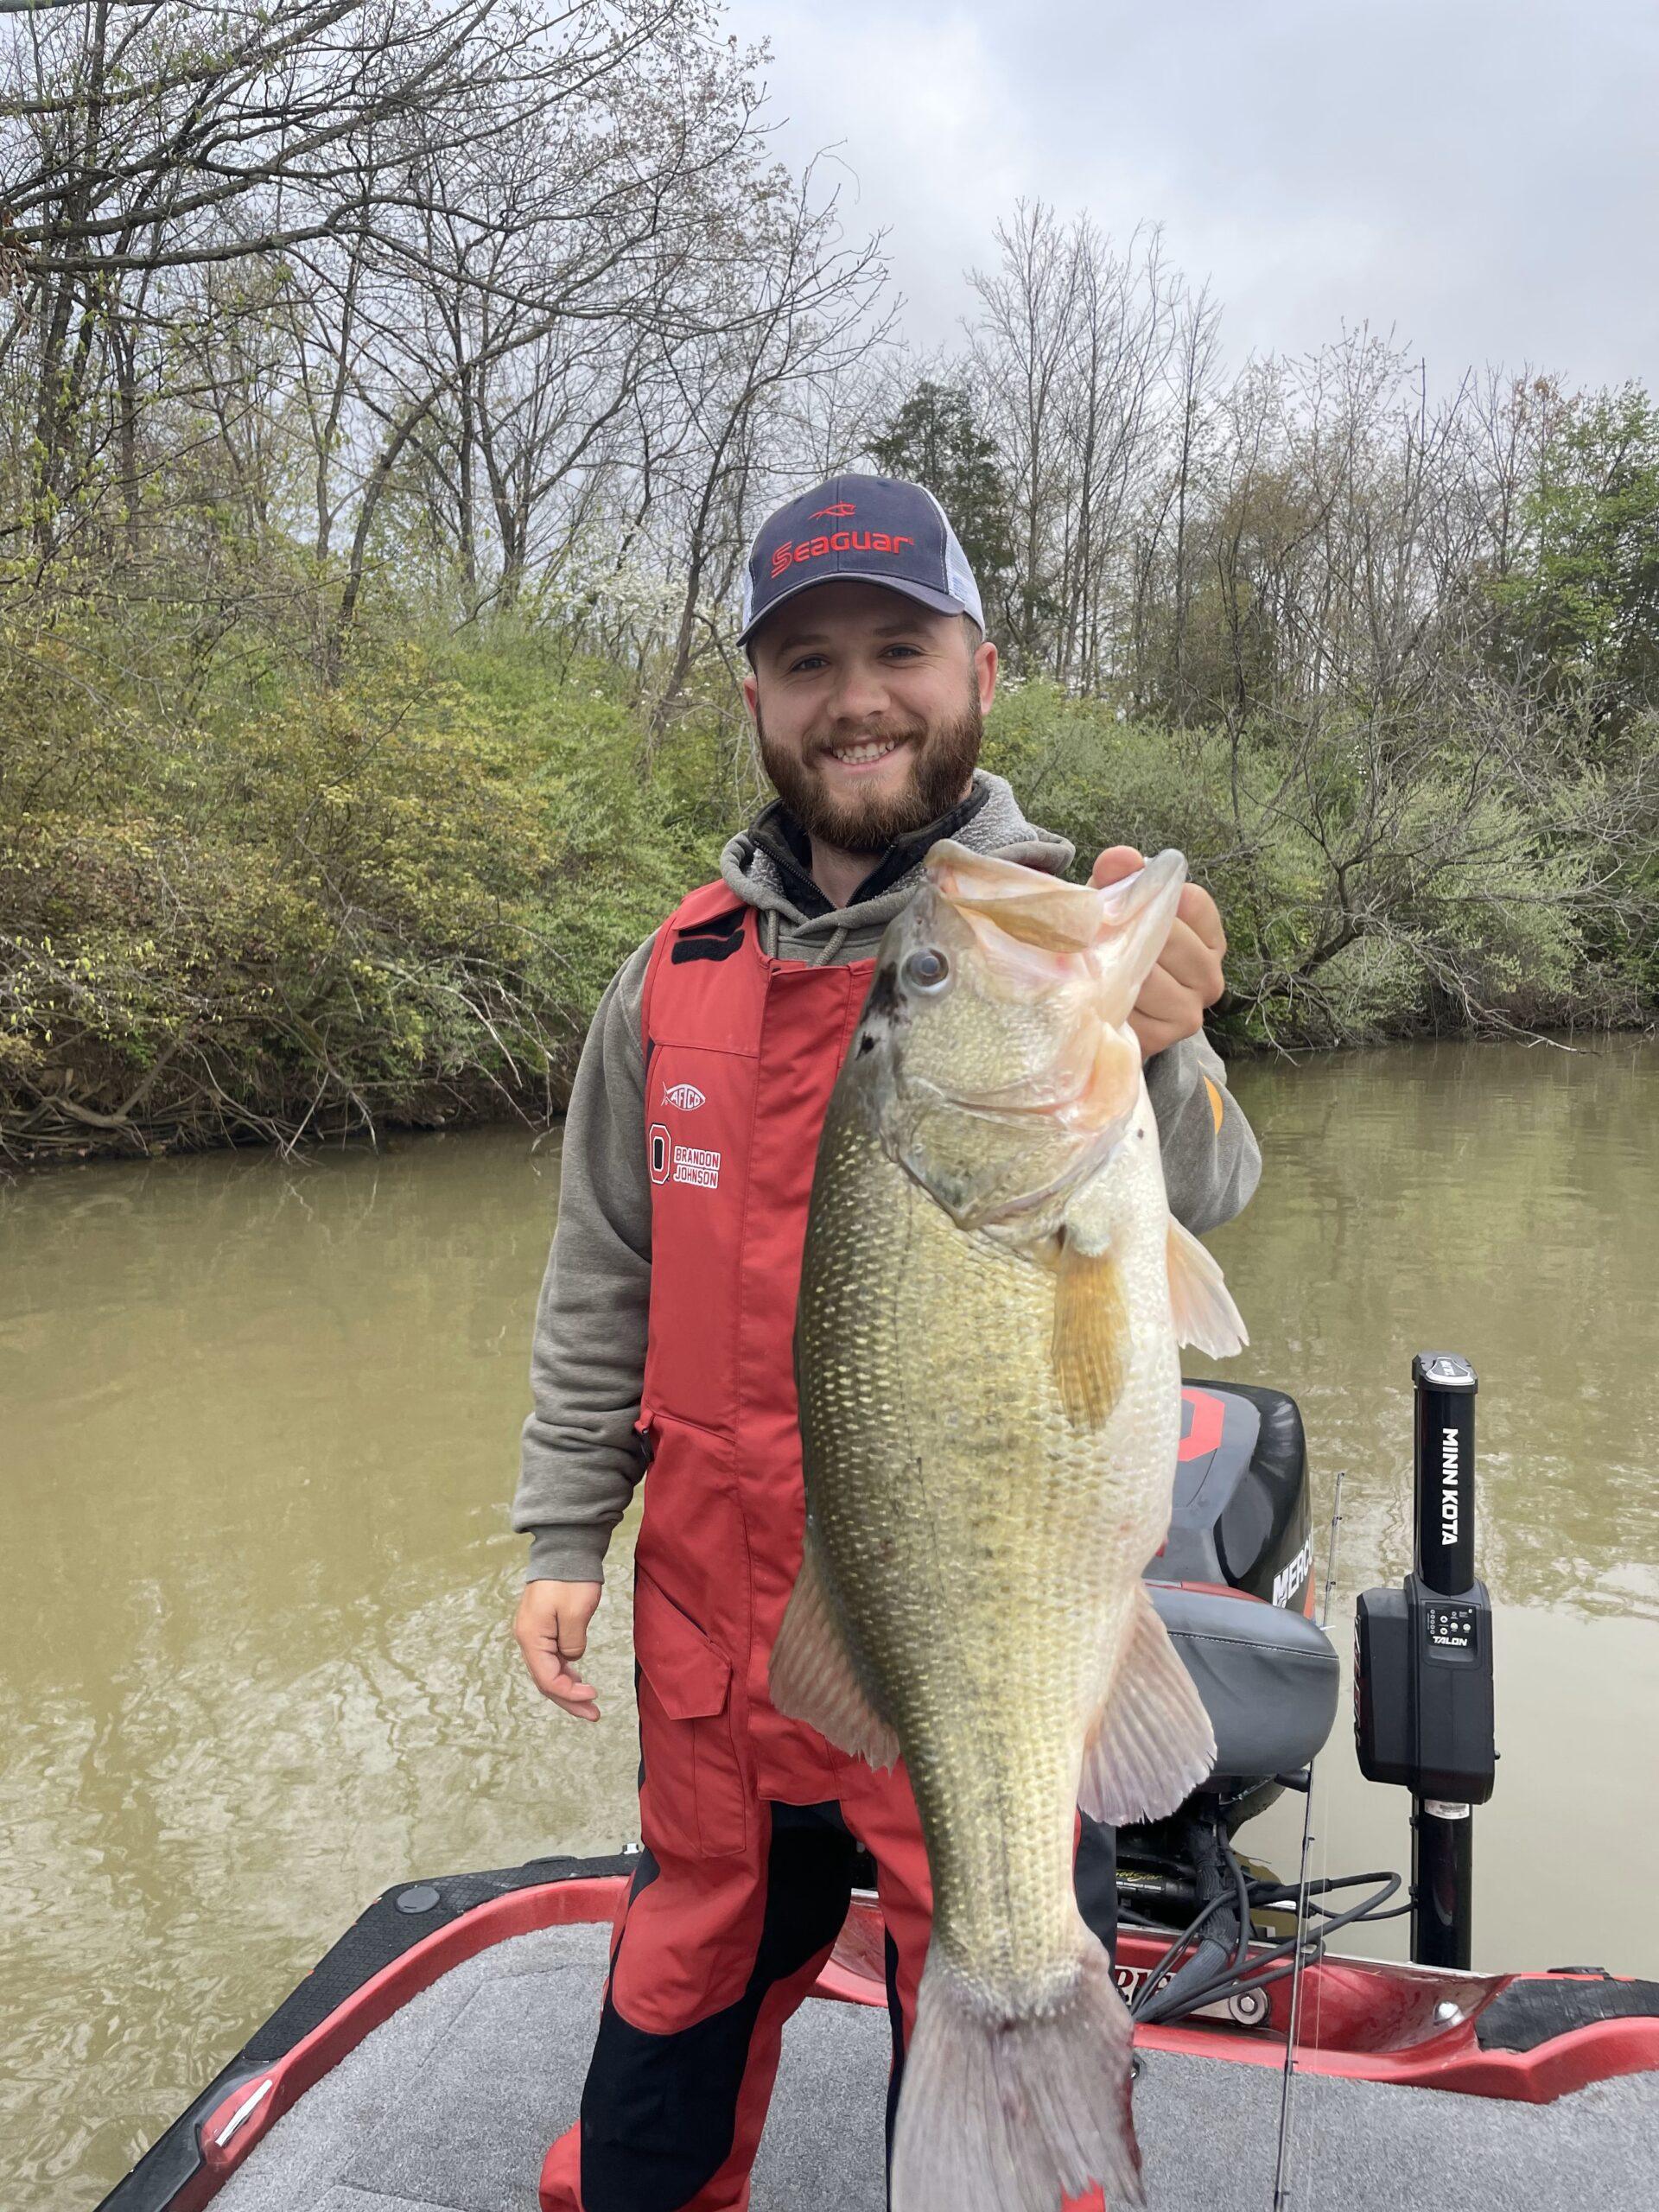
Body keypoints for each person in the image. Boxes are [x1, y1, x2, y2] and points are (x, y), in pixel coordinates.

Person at [511, 474, 1262, 2212]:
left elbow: (1208, 1190)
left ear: (981, 667)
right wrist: (563, 1530)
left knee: (992, 1961)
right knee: (672, 2018)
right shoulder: (664, 977)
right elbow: (597, 1279)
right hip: (712, 1646)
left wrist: (1167, 1046)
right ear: (757, 700)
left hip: (975, 1623)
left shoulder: (1058, 941)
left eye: (900, 646)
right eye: (809, 658)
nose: (858, 695)